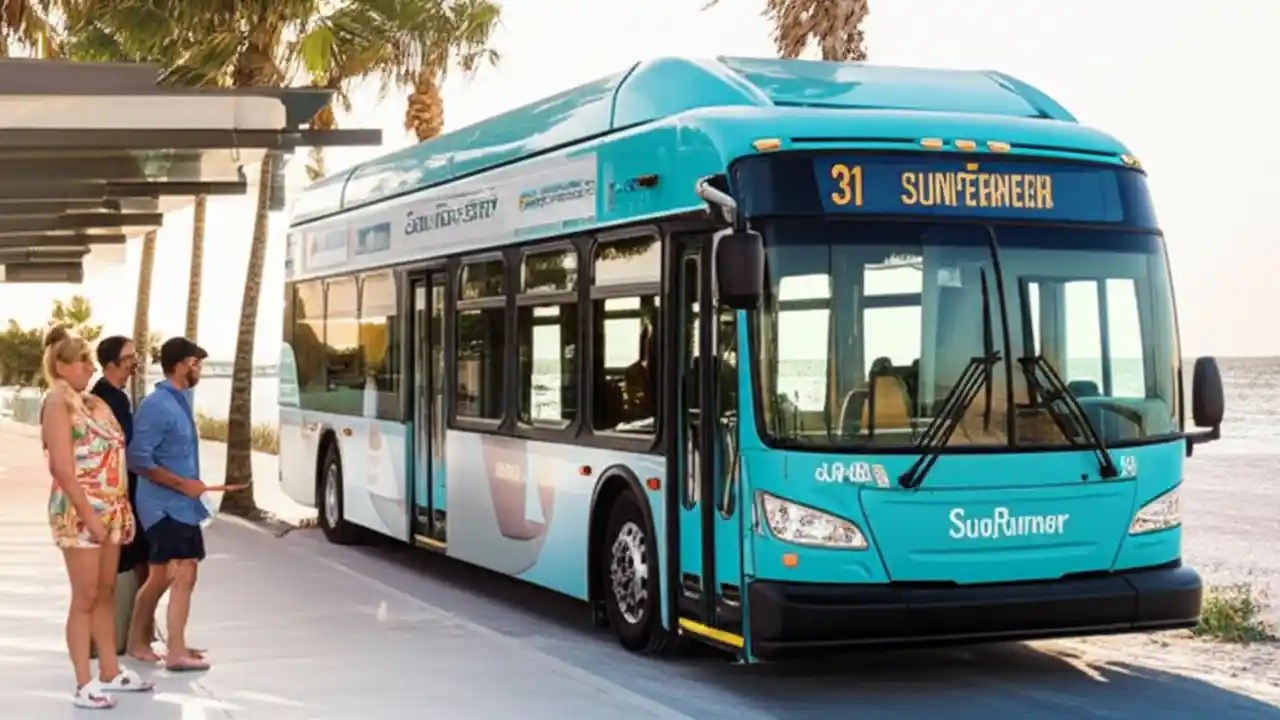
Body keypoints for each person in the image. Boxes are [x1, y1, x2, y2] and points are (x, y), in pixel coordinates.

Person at [40, 326, 153, 708]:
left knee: (105, 594)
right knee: (84, 597)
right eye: (83, 361)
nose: (91, 367)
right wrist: (89, 516)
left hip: (109, 511)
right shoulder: (57, 403)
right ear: (61, 365)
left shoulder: (89, 401)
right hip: (79, 512)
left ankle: (110, 669)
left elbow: (117, 443)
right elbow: (62, 467)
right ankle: (84, 682)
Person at [126, 337, 246, 670]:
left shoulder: (179, 400)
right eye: (195, 363)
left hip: (180, 505)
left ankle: (141, 641)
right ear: (179, 366)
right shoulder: (157, 405)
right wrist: (183, 485)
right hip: (165, 505)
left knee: (161, 577)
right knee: (185, 572)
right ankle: (175, 652)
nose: (199, 369)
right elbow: (137, 458)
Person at [90, 336, 153, 648]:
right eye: (129, 358)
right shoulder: (105, 399)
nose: (134, 363)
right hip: (117, 494)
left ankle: (133, 632)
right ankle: (122, 635)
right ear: (111, 363)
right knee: (126, 559)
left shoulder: (114, 396)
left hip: (125, 491)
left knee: (134, 556)